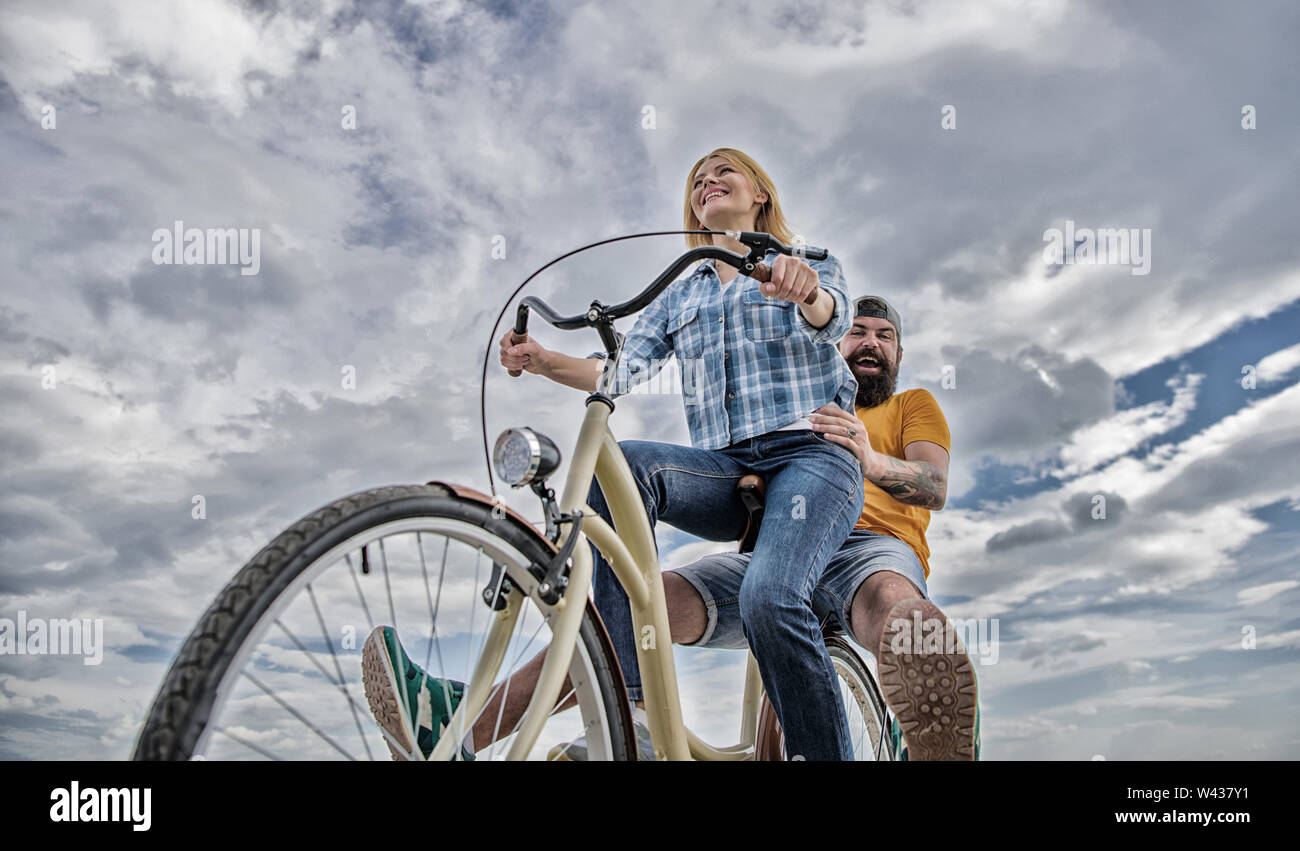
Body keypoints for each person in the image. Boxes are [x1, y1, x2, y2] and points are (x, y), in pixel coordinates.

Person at [361, 147, 866, 760]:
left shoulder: (805, 260)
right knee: (621, 466)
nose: (707, 184)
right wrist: (544, 359)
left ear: (759, 192)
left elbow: (831, 317)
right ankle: (633, 715)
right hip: (728, 468)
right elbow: (619, 369)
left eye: (723, 174)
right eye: (697, 183)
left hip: (810, 455)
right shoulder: (685, 294)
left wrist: (804, 290)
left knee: (769, 596)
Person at [670, 295, 979, 759]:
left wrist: (870, 459)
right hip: (784, 549)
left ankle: (936, 743)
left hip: (869, 550)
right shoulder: (794, 408)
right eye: (857, 332)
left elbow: (933, 486)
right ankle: (574, 710)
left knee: (899, 609)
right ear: (834, 342)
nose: (870, 343)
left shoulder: (913, 404)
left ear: (898, 354)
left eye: (885, 335)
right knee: (645, 603)